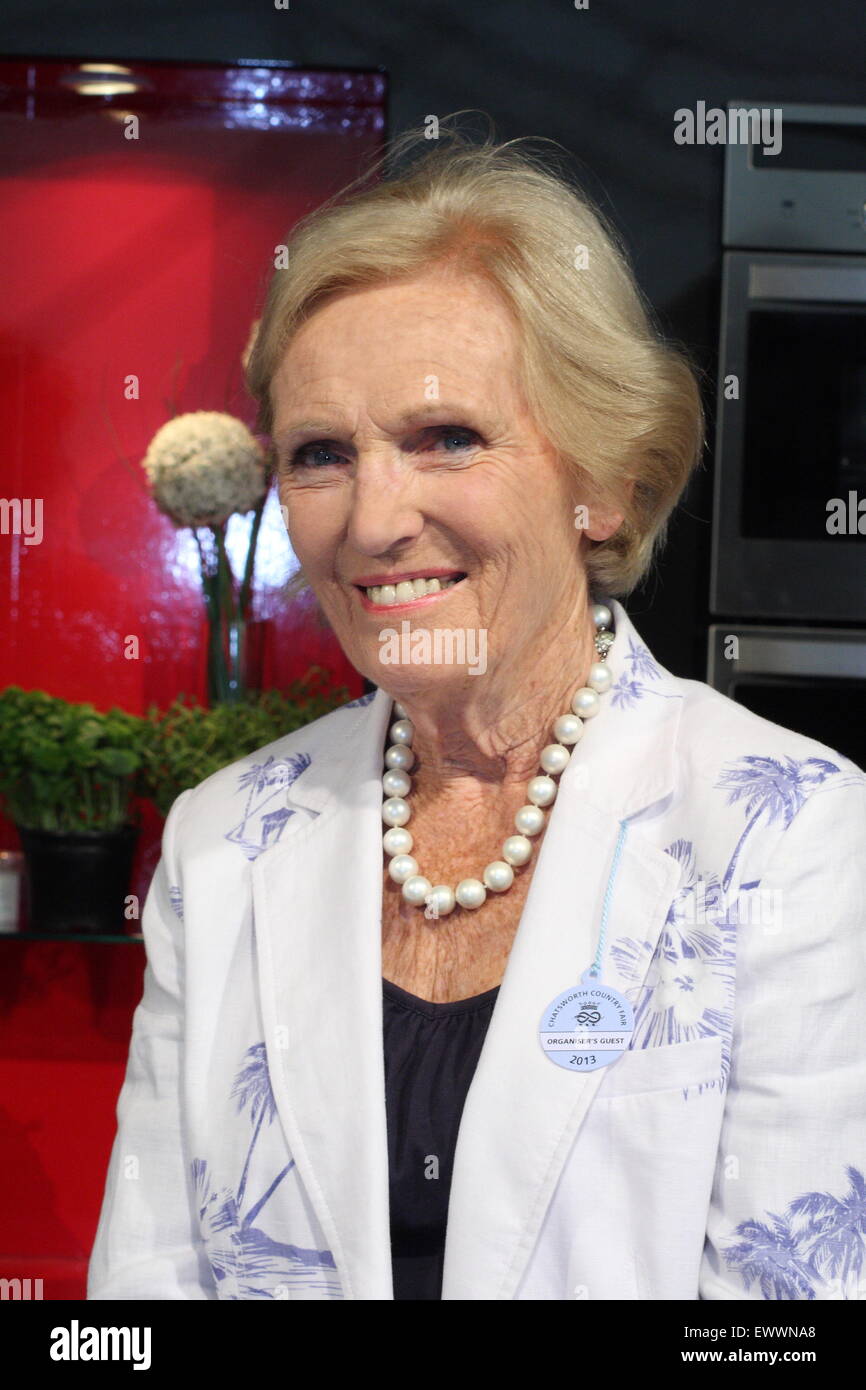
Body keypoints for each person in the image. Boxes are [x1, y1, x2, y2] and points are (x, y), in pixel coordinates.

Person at [89, 119, 866, 1301]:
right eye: (319, 454)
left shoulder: (792, 829)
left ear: (598, 478)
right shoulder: (222, 839)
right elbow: (144, 1287)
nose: (372, 520)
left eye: (444, 437)